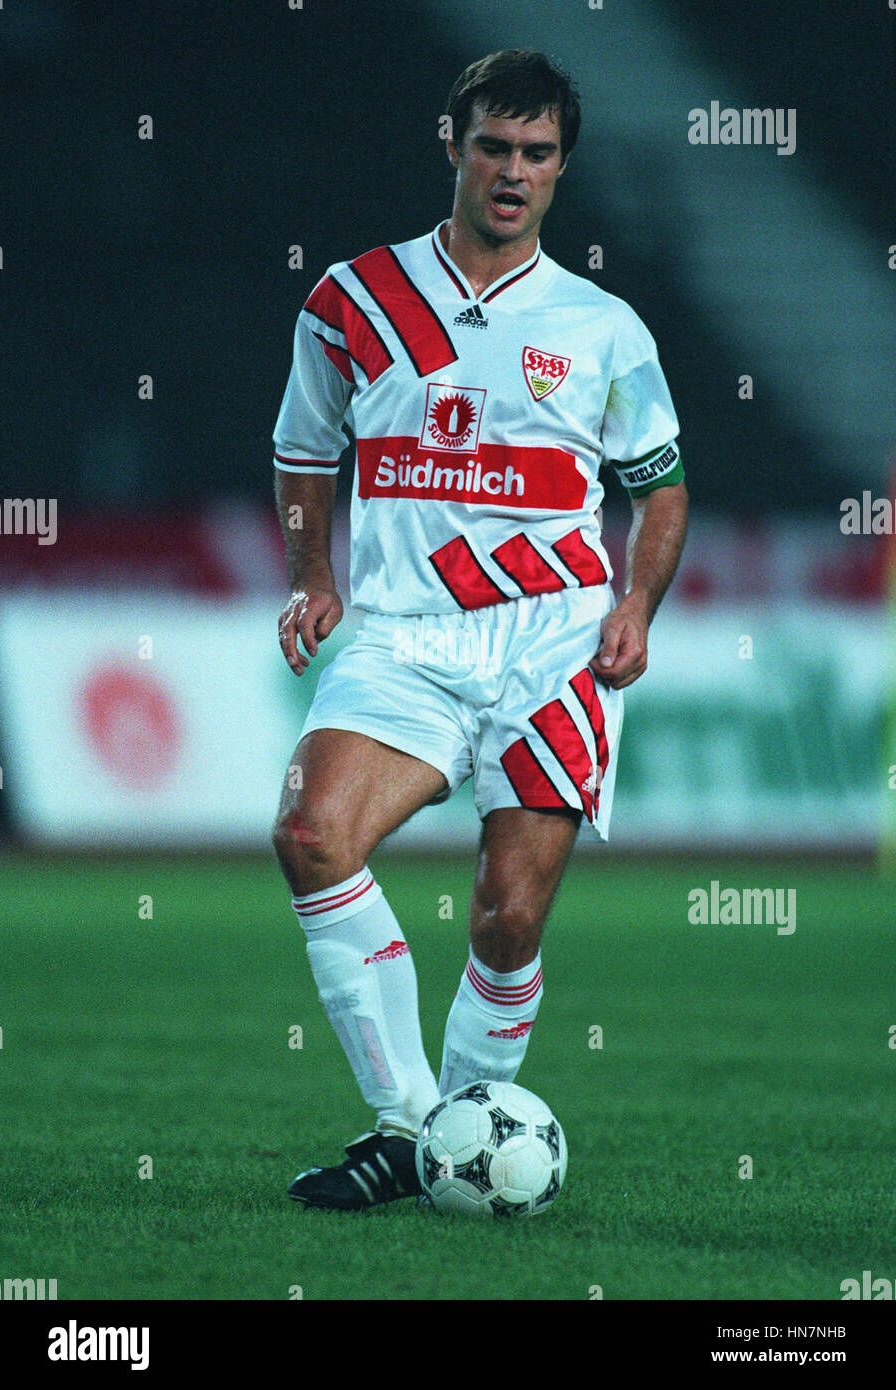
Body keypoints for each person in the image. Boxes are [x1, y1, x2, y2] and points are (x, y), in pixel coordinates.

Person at [271, 49, 688, 1209]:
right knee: (310, 833)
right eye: (494, 147)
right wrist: (313, 575)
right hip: (405, 634)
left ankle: (453, 1128)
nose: (513, 173)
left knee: (506, 919)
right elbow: (304, 452)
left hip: (551, 643)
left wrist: (634, 603)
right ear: (450, 145)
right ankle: (412, 1129)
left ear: (562, 168)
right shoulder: (353, 301)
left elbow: (660, 489)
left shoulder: (602, 326)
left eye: (538, 154)